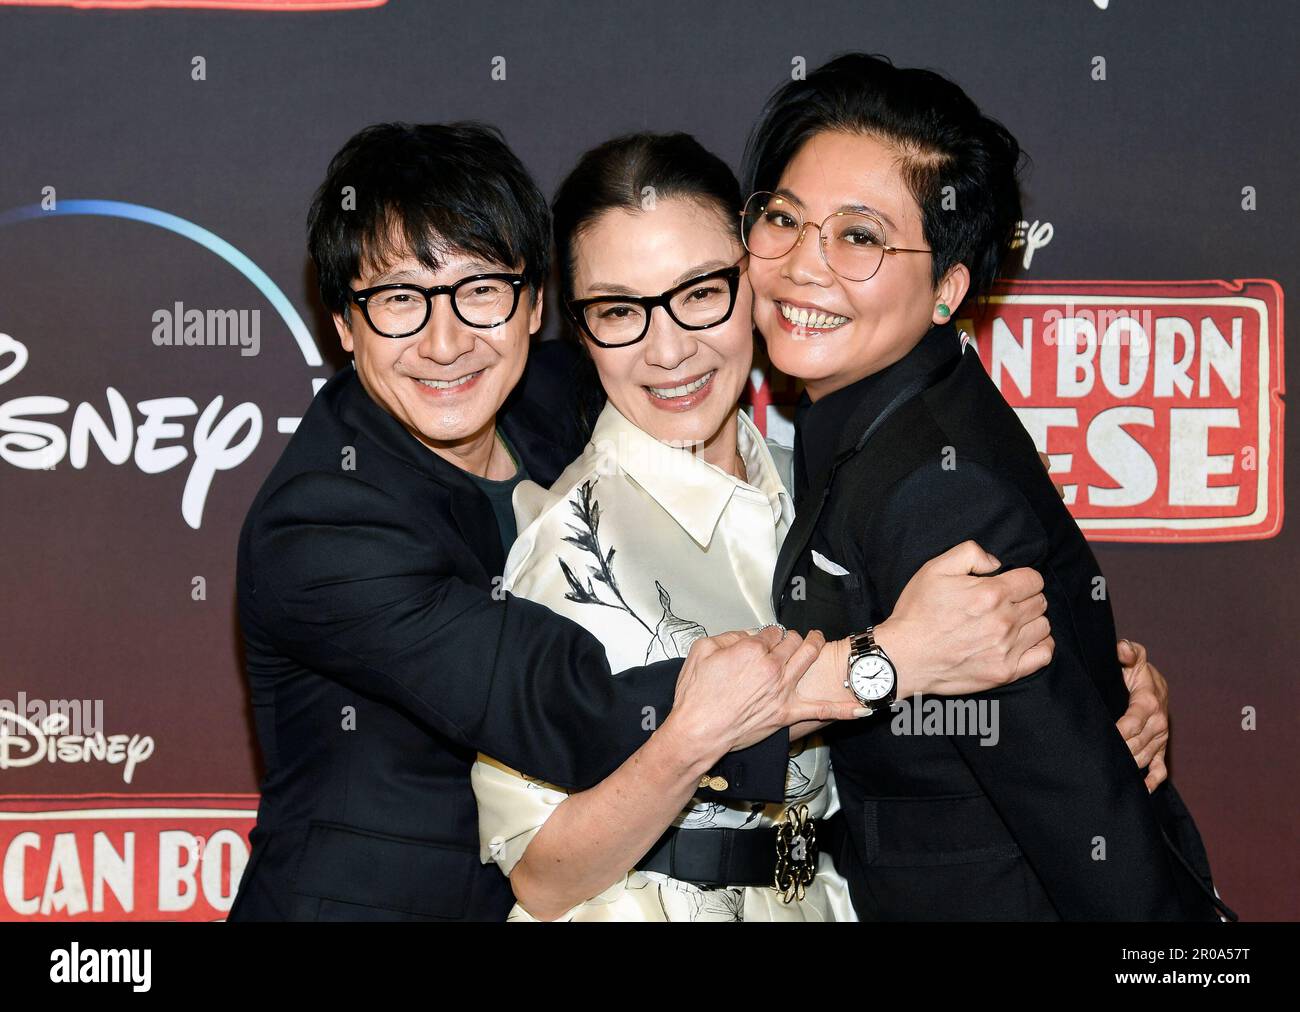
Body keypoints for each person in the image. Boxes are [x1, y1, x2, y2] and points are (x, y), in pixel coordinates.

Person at [228, 121, 1049, 921]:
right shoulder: (319, 529)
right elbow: (570, 700)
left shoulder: (567, 389)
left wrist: (1073, 677)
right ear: (342, 324)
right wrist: (890, 659)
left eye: (479, 291)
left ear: (534, 305)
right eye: (400, 300)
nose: (446, 344)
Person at [471, 132, 1179, 921]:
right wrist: (886, 661)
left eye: (701, 292)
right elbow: (541, 874)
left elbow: (939, 710)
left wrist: (1104, 694)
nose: (667, 350)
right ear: (577, 326)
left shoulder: (814, 480)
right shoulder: (568, 543)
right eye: (617, 311)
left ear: (754, 277)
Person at [743, 53, 1231, 920]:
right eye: (783, 218)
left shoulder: (934, 488)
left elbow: (1082, 811)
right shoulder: (889, 410)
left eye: (858, 236)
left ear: (949, 289)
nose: (801, 266)